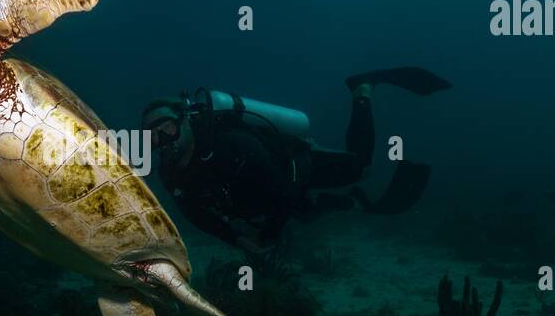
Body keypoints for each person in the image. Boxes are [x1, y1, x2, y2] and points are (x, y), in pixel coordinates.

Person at [141, 68, 451, 254]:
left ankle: (362, 88)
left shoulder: (232, 145)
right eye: (153, 138)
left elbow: (281, 192)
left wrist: (269, 237)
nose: (162, 143)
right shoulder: (173, 176)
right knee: (304, 210)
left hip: (298, 164)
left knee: (360, 168)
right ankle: (347, 202)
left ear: (184, 122)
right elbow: (198, 216)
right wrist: (238, 240)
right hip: (266, 201)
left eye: (166, 130)